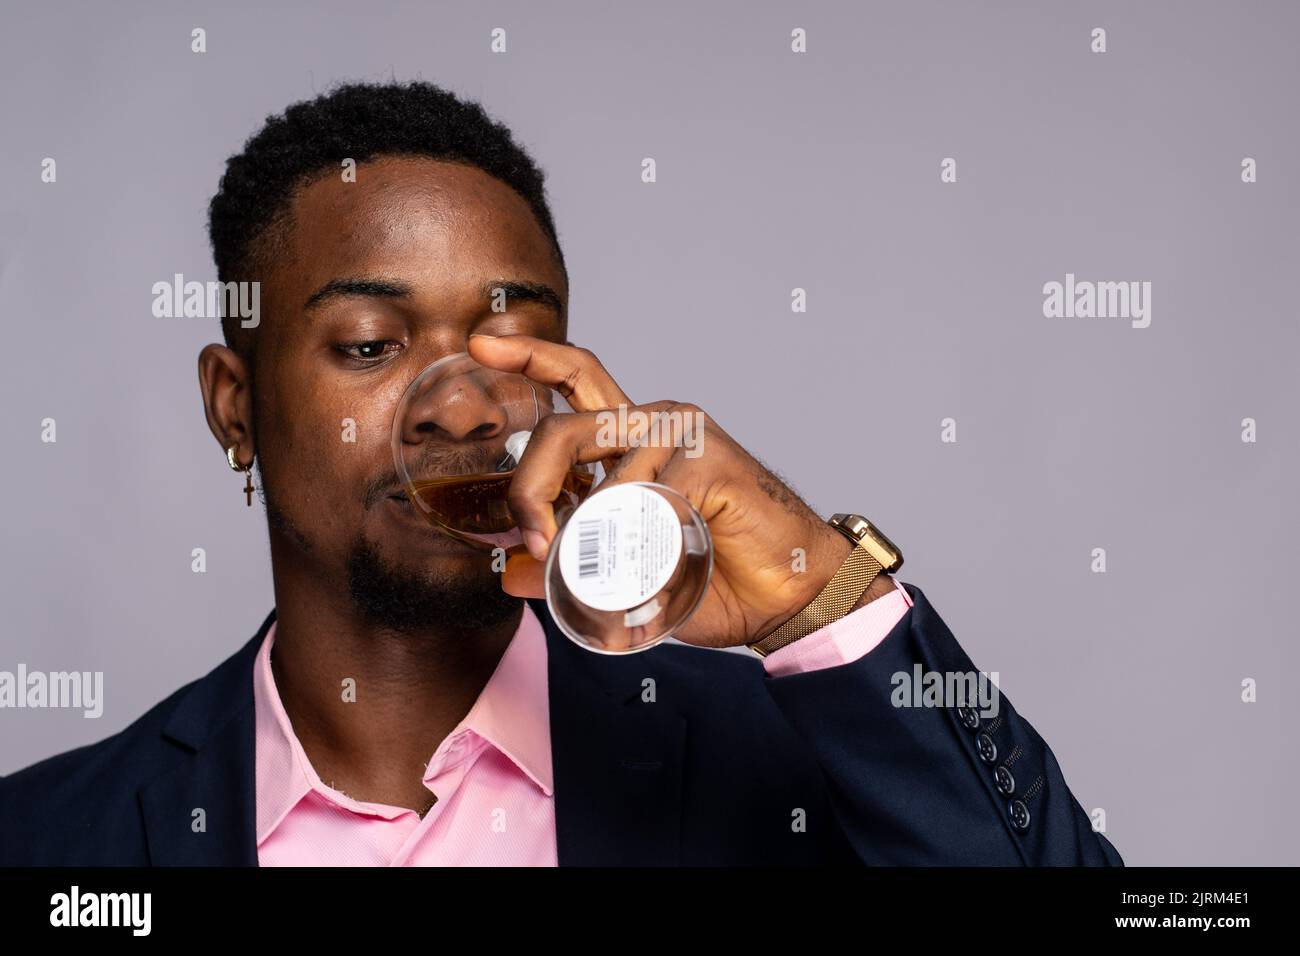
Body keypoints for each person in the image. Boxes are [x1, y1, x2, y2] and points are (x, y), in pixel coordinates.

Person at [0, 81, 1121, 866]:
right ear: (234, 404)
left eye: (508, 345)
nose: (460, 402)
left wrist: (813, 594)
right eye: (368, 345)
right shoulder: (54, 836)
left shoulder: (797, 764)